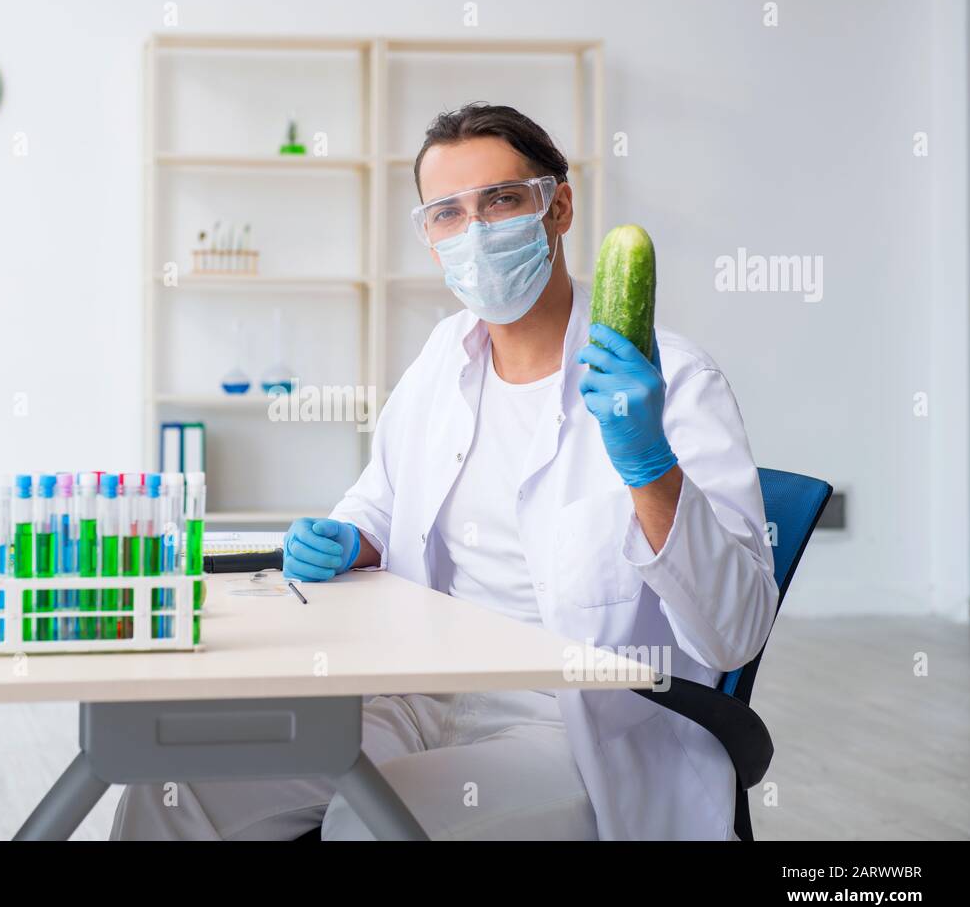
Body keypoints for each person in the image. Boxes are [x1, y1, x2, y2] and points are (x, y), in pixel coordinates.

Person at [112, 103, 777, 840]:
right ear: (429, 237)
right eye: (447, 214)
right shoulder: (442, 357)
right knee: (173, 788)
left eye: (500, 200)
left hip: (572, 726)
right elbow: (379, 502)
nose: (476, 231)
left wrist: (650, 465)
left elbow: (736, 631)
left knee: (367, 826)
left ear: (558, 206)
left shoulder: (676, 381)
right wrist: (348, 536)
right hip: (417, 693)